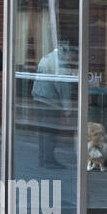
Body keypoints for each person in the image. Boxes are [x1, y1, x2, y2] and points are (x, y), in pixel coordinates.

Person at [32, 39, 73, 169]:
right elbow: (62, 86)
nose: (72, 57)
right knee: (50, 131)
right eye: (71, 54)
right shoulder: (60, 62)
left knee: (43, 131)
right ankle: (48, 160)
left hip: (38, 98)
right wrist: (67, 109)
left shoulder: (46, 57)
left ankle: (42, 158)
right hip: (49, 100)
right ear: (66, 51)